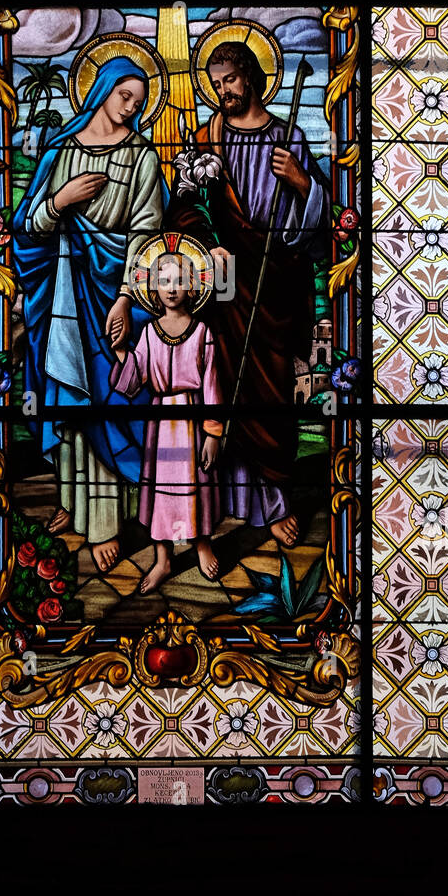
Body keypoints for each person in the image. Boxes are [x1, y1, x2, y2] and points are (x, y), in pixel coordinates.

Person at [164, 38, 329, 547]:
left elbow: (323, 218)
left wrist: (300, 180)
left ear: (253, 78)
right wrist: (208, 243)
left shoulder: (289, 137)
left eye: (230, 80)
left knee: (272, 388)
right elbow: (184, 205)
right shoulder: (206, 136)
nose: (223, 91)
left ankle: (275, 500)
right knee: (222, 384)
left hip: (276, 280)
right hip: (226, 282)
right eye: (215, 84)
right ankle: (225, 503)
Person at [11, 55, 165, 572]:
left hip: (118, 293)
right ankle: (77, 502)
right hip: (65, 294)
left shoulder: (142, 156)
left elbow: (147, 232)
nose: (131, 107)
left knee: (114, 397)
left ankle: (110, 520)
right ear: (99, 90)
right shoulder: (61, 151)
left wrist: (125, 297)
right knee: (73, 391)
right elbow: (28, 226)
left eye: (139, 102)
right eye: (125, 95)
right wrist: (60, 200)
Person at [110, 243, 222, 592]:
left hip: (192, 421)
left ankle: (202, 543)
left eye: (180, 279)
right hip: (161, 425)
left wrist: (213, 434)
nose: (172, 287)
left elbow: (212, 386)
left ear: (193, 286)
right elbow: (135, 379)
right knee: (162, 494)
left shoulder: (203, 333)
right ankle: (163, 559)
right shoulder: (148, 333)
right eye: (164, 280)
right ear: (154, 288)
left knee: (197, 487)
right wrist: (121, 355)